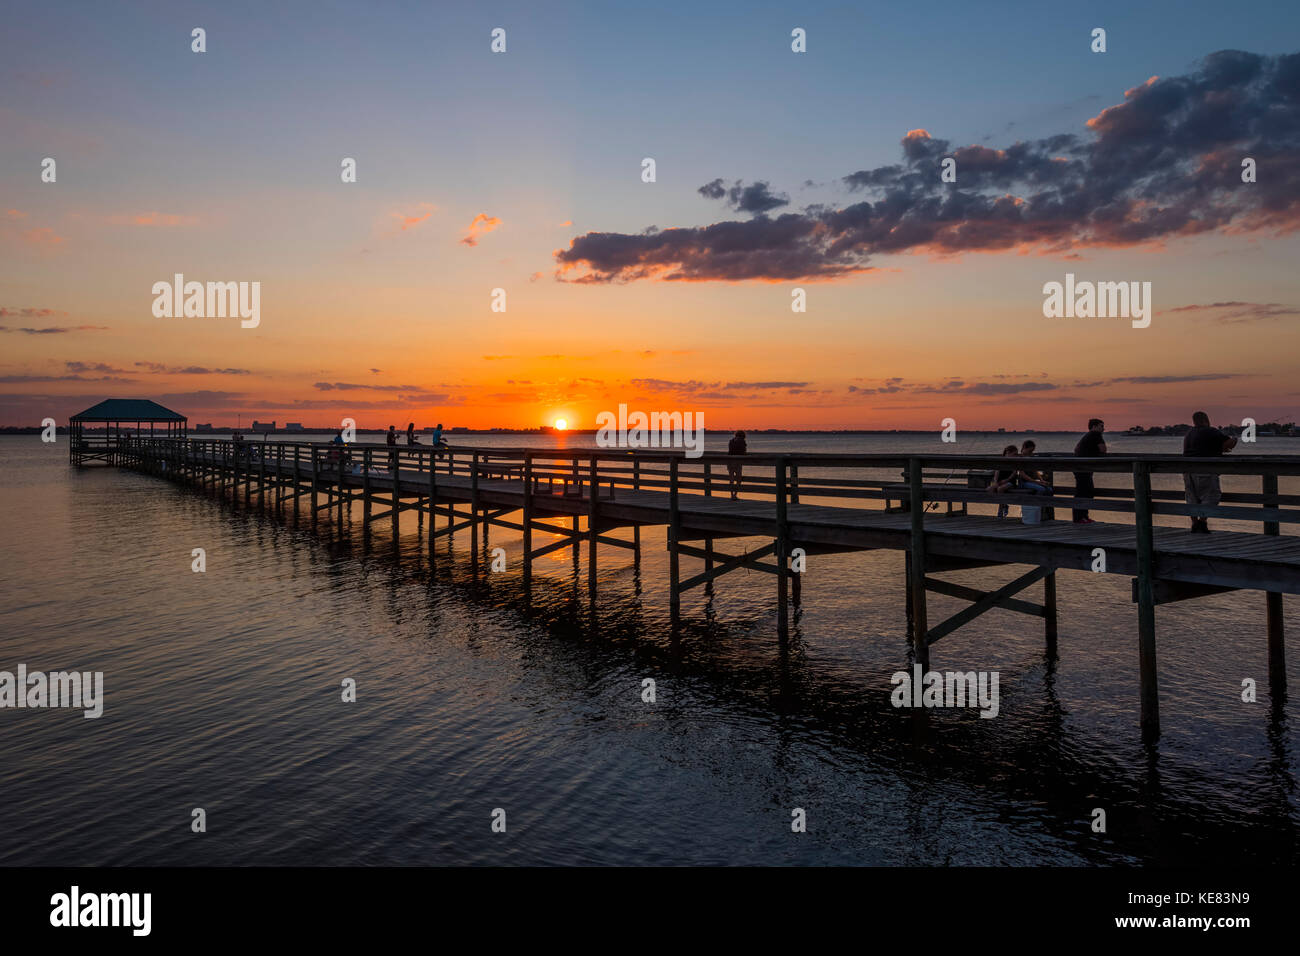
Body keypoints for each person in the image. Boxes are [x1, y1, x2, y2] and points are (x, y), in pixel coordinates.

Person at [1183, 411, 1236, 533]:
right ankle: (1202, 521)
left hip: (1188, 471)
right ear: (1206, 420)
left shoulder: (1189, 433)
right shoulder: (1210, 431)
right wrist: (1235, 438)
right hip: (1205, 471)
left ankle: (1195, 523)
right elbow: (1229, 444)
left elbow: (1201, 448)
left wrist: (1218, 449)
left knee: (1192, 498)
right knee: (1212, 495)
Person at [1072, 418, 1106, 523]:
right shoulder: (1096, 435)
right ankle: (1079, 518)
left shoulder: (1087, 436)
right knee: (1084, 492)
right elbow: (1103, 450)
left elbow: (1075, 449)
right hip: (1083, 468)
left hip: (1080, 467)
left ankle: (1083, 516)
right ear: (1094, 427)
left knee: (1086, 491)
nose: (1103, 429)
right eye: (1101, 426)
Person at [989, 445, 1019, 517]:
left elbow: (1014, 474)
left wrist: (1006, 480)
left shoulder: (1015, 463)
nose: (1015, 456)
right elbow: (996, 473)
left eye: (1016, 454)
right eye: (1014, 454)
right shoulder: (1001, 462)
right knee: (990, 489)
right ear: (1007, 453)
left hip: (1010, 483)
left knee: (1000, 489)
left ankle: (1000, 511)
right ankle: (1005, 505)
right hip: (1000, 482)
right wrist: (995, 482)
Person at [727, 430, 747, 499]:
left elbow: (730, 451)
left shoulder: (731, 441)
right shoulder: (742, 441)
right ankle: (735, 494)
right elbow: (743, 451)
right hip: (738, 462)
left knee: (731, 479)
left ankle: (732, 495)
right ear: (743, 436)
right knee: (738, 479)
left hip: (730, 461)